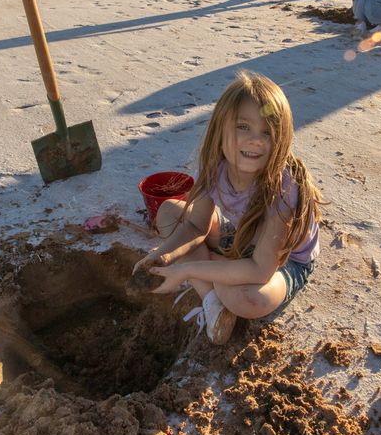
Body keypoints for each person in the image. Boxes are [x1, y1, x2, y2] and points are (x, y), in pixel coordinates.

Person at [132, 72, 322, 345]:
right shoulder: (215, 166)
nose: (255, 139)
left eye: (267, 132)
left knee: (248, 299)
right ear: (220, 129)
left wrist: (187, 270)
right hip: (242, 236)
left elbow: (260, 271)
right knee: (168, 212)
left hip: (284, 261)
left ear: (281, 138)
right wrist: (161, 256)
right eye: (243, 126)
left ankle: (219, 280)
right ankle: (212, 300)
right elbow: (196, 225)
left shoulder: (284, 188)